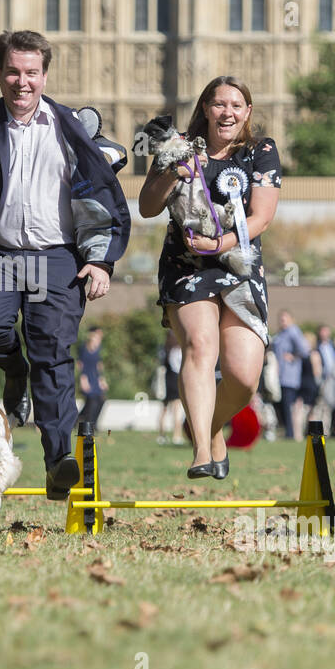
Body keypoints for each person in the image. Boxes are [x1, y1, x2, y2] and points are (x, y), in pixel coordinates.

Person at [0, 29, 129, 499]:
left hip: (57, 255)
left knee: (53, 350)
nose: (22, 82)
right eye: (13, 72)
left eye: (32, 73)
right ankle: (12, 370)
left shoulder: (70, 127)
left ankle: (60, 460)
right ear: (0, 73)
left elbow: (104, 196)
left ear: (45, 75)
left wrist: (101, 263)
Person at [139, 75, 281, 477]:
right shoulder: (177, 146)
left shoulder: (261, 151)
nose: (228, 113)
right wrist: (174, 174)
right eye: (220, 104)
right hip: (187, 264)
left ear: (247, 112)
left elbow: (262, 217)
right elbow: (148, 206)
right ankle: (203, 449)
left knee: (243, 377)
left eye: (237, 105)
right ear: (205, 107)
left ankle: (209, 424)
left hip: (239, 262)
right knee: (200, 346)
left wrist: (222, 244)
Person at [271, 310, 307, 441]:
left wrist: (294, 356)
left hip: (289, 376)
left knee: (287, 405)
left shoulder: (293, 332)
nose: (282, 322)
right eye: (280, 319)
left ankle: (290, 433)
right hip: (279, 375)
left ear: (291, 319)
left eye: (284, 319)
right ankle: (287, 430)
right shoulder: (281, 333)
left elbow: (305, 349)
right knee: (281, 405)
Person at [76, 326, 107, 429]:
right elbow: (80, 364)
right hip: (87, 377)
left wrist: (102, 380)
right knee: (92, 401)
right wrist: (83, 380)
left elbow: (99, 365)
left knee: (101, 400)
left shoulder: (98, 349)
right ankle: (88, 424)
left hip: (95, 378)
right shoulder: (84, 348)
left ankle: (87, 422)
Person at [157, 330, 184, 444]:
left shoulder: (163, 349)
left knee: (164, 409)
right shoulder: (177, 350)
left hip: (165, 382)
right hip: (174, 381)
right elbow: (178, 367)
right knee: (177, 409)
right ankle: (176, 435)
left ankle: (162, 435)